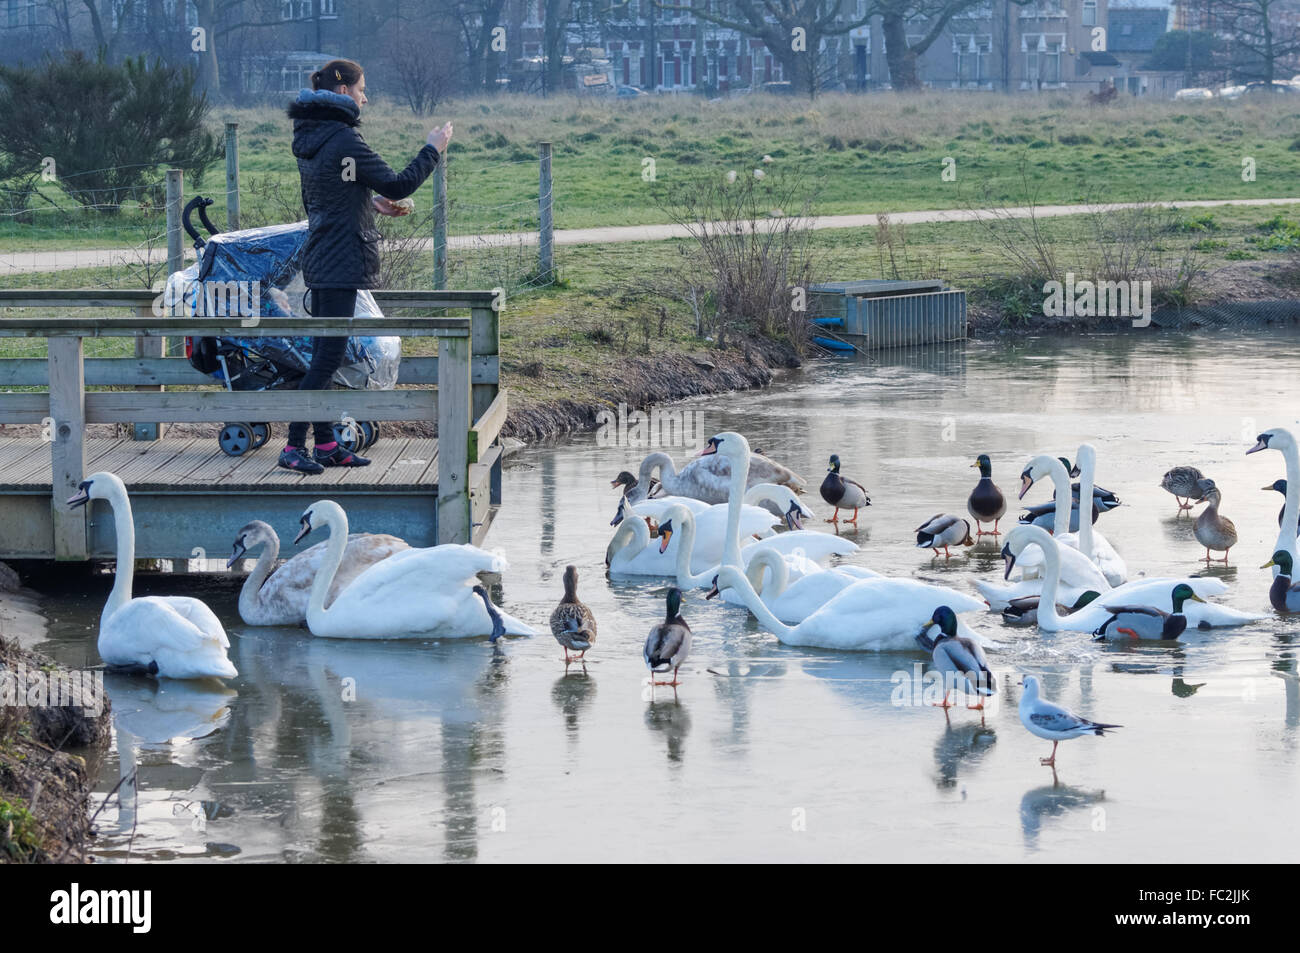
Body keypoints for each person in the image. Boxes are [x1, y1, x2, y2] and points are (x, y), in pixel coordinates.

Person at [280, 57, 453, 474]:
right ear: (343, 93)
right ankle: (292, 446)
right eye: (361, 89)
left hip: (323, 255)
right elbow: (399, 183)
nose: (365, 97)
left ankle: (324, 445)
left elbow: (330, 192)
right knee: (326, 359)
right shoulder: (343, 140)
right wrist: (433, 149)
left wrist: (367, 202)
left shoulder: (313, 137)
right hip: (338, 262)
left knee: (327, 355)